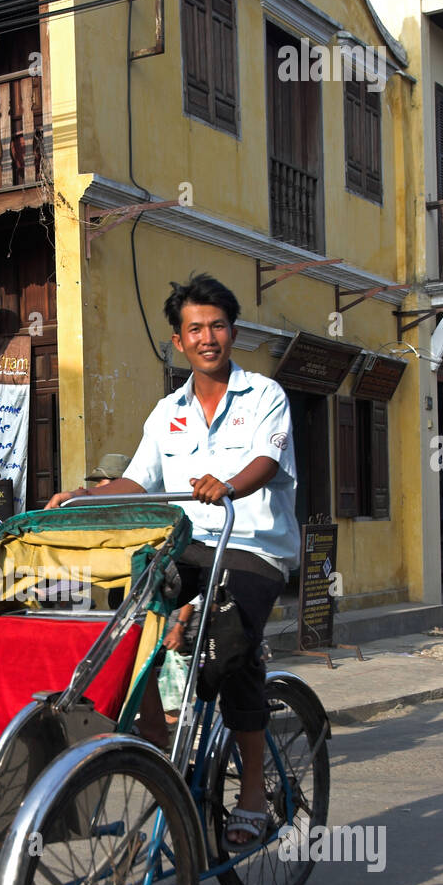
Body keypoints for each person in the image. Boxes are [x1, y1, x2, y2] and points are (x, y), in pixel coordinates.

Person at [47, 272, 300, 850]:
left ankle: (255, 793)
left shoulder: (264, 395)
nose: (207, 336)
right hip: (187, 543)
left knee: (229, 650)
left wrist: (229, 485)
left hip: (253, 546)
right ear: (179, 341)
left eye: (217, 325)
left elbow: (266, 460)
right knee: (119, 610)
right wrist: (84, 496)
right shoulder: (168, 412)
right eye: (195, 329)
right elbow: (139, 482)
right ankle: (160, 749)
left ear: (232, 332)